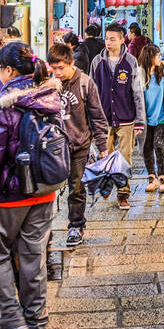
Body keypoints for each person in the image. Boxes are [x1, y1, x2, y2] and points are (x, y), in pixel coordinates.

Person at [0, 42, 63, 329]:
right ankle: (36, 325)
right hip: (44, 192)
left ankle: (10, 319)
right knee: (32, 258)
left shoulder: (4, 106)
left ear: (9, 71)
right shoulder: (49, 98)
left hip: (10, 196)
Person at [46, 42, 109, 248]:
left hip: (79, 145)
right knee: (47, 188)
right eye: (53, 69)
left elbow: (97, 117)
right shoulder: (48, 85)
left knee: (76, 187)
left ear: (71, 63)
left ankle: (76, 226)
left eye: (61, 68)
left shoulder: (85, 83)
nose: (57, 73)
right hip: (53, 148)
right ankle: (43, 228)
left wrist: (103, 146)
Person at [91, 22, 146, 209]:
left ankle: (123, 193)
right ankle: (106, 184)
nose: (108, 42)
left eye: (112, 39)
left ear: (123, 40)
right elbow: (92, 93)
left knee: (124, 158)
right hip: (103, 119)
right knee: (104, 155)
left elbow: (137, 93)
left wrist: (139, 121)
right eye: (106, 38)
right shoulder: (97, 62)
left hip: (126, 118)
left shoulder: (130, 62)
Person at [138, 44, 164, 193]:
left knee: (159, 145)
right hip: (144, 119)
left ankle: (161, 177)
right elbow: (135, 98)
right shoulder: (139, 74)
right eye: (157, 56)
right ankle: (151, 177)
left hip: (162, 117)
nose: (160, 58)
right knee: (146, 147)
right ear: (150, 57)